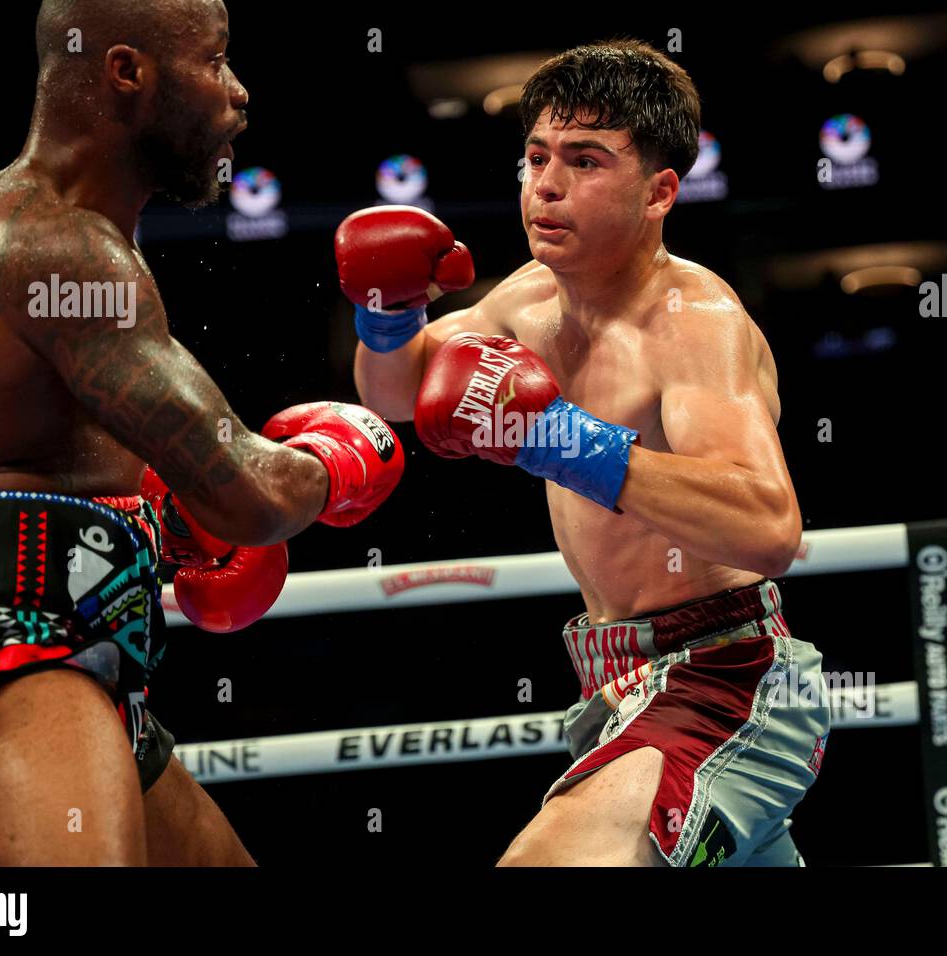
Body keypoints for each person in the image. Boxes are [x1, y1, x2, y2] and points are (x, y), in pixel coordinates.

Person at [0, 0, 405, 866]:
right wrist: (339, 461)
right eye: (216, 61)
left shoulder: (42, 228)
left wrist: (156, 514)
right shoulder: (59, 248)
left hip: (57, 648)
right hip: (8, 653)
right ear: (127, 72)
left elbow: (59, 460)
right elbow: (253, 493)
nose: (238, 95)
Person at [348, 40, 831, 866]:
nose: (547, 183)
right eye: (536, 156)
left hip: (725, 678)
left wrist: (563, 442)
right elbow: (398, 397)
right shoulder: (528, 299)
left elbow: (769, 527)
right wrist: (388, 316)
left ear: (659, 192)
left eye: (585, 160)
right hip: (613, 682)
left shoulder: (693, 320)